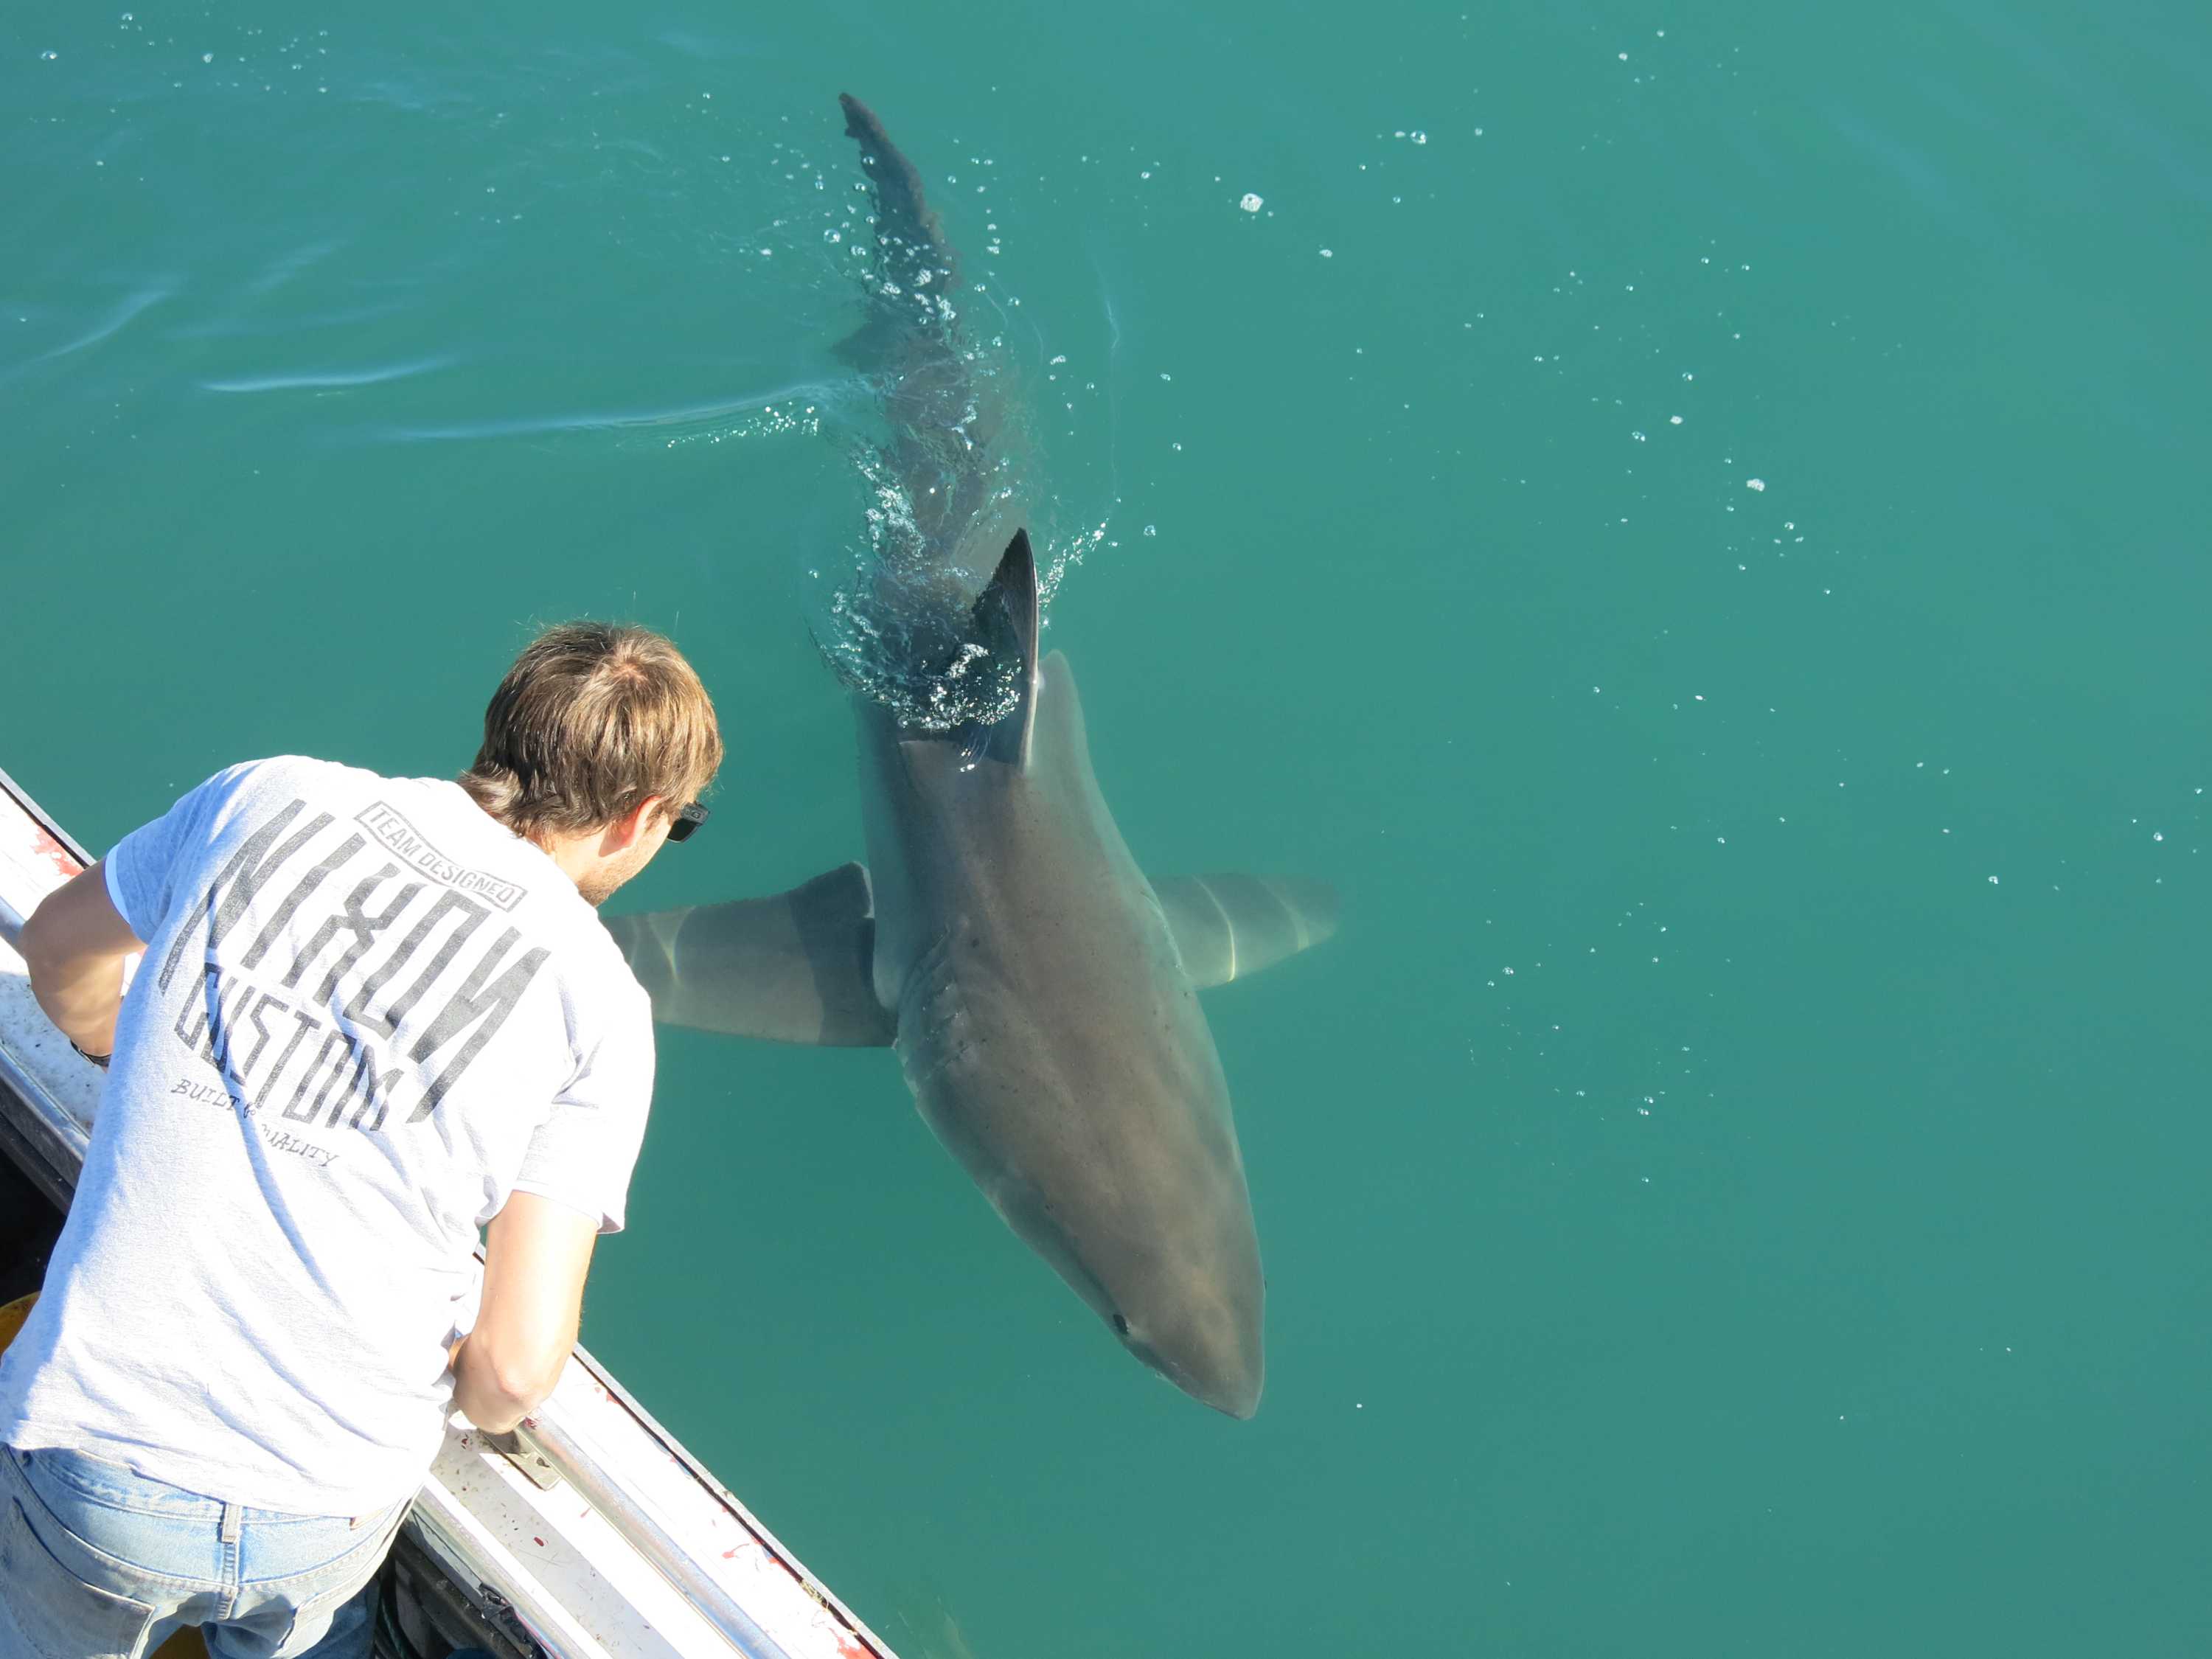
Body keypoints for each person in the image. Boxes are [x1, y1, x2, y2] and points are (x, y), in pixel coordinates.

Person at [0, 622, 720, 1658]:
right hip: (323, 1508)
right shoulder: (599, 1001)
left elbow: (60, 949)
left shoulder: (266, 795)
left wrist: (116, 1037)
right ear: (642, 817)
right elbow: (514, 1370)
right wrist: (462, 1387)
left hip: (91, 1466)